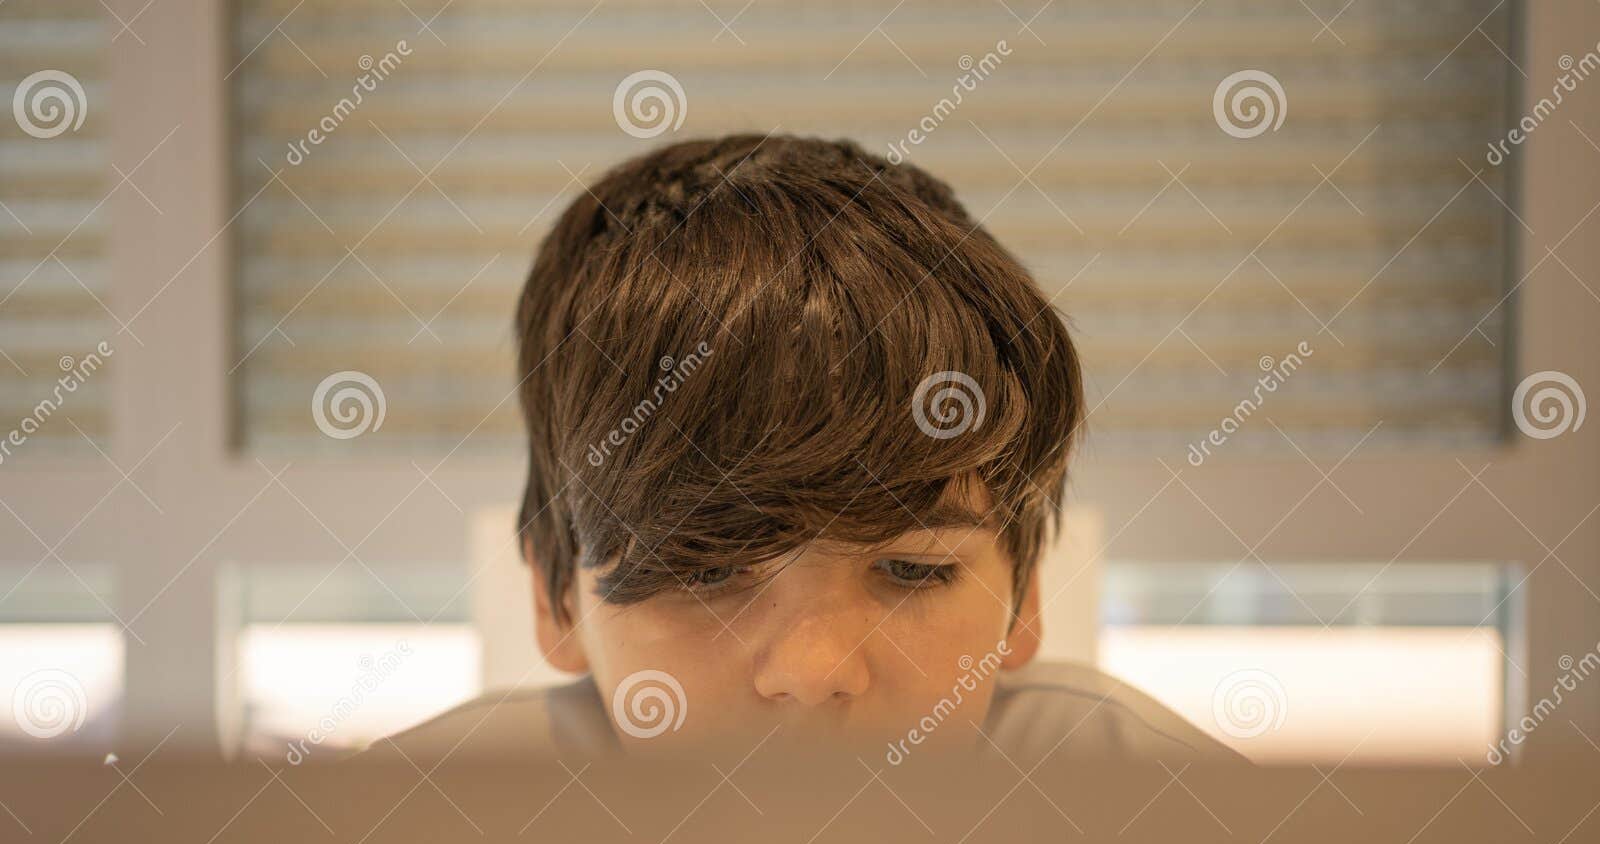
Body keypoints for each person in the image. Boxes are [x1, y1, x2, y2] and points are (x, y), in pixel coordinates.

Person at [384, 133, 1240, 770]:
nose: (814, 671)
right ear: (554, 600)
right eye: (707, 570)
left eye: (913, 570)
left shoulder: (1162, 814)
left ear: (1024, 598)